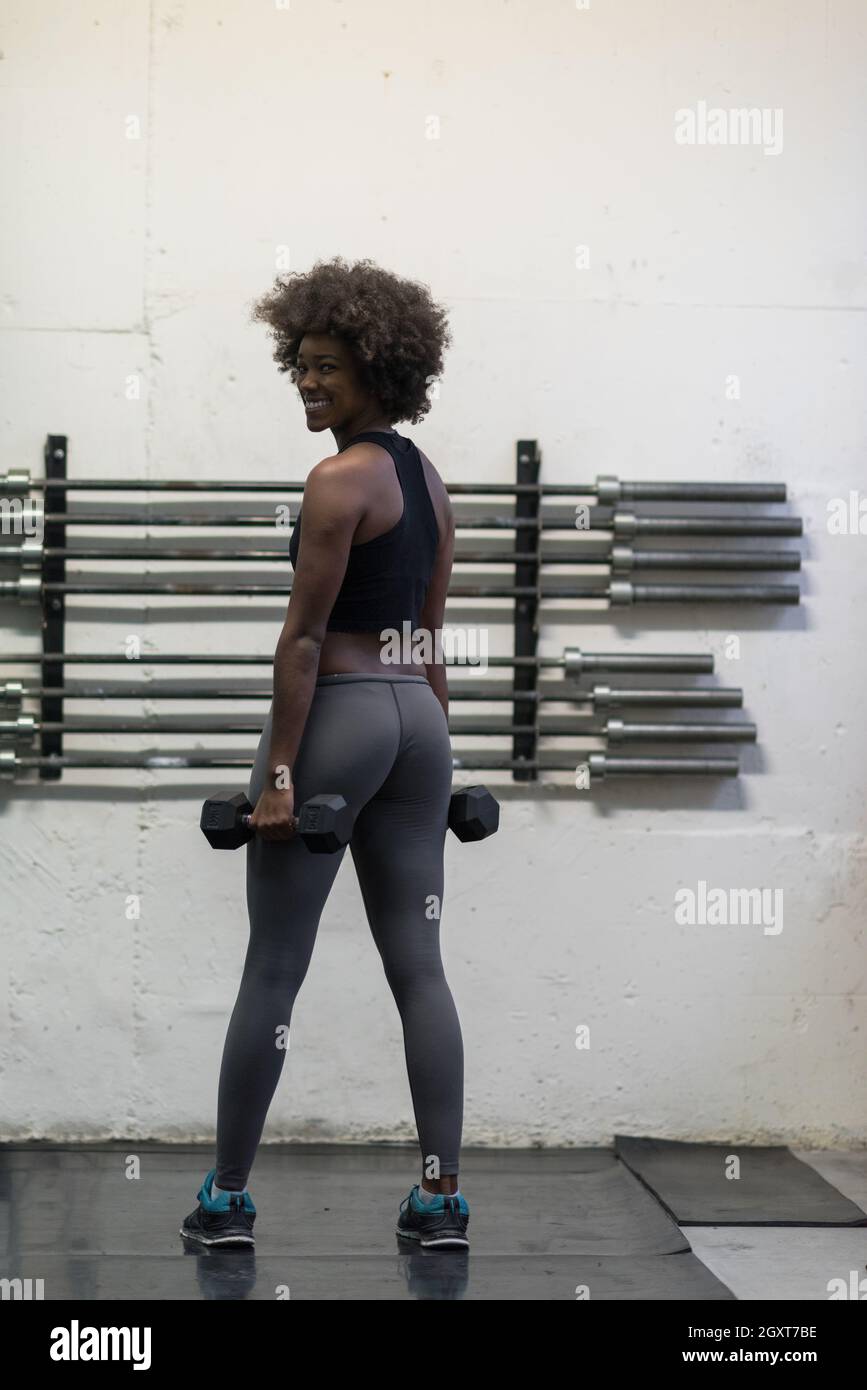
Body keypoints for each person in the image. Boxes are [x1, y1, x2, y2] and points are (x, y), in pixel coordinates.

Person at [180, 256, 469, 1250]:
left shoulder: (338, 477)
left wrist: (281, 780)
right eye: (301, 365)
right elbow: (428, 636)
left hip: (341, 713)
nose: (309, 382)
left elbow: (302, 638)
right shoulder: (429, 481)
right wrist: (442, 759)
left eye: (329, 367)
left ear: (380, 372)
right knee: (420, 967)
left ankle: (225, 1198)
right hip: (415, 724)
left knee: (273, 966)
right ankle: (439, 1200)